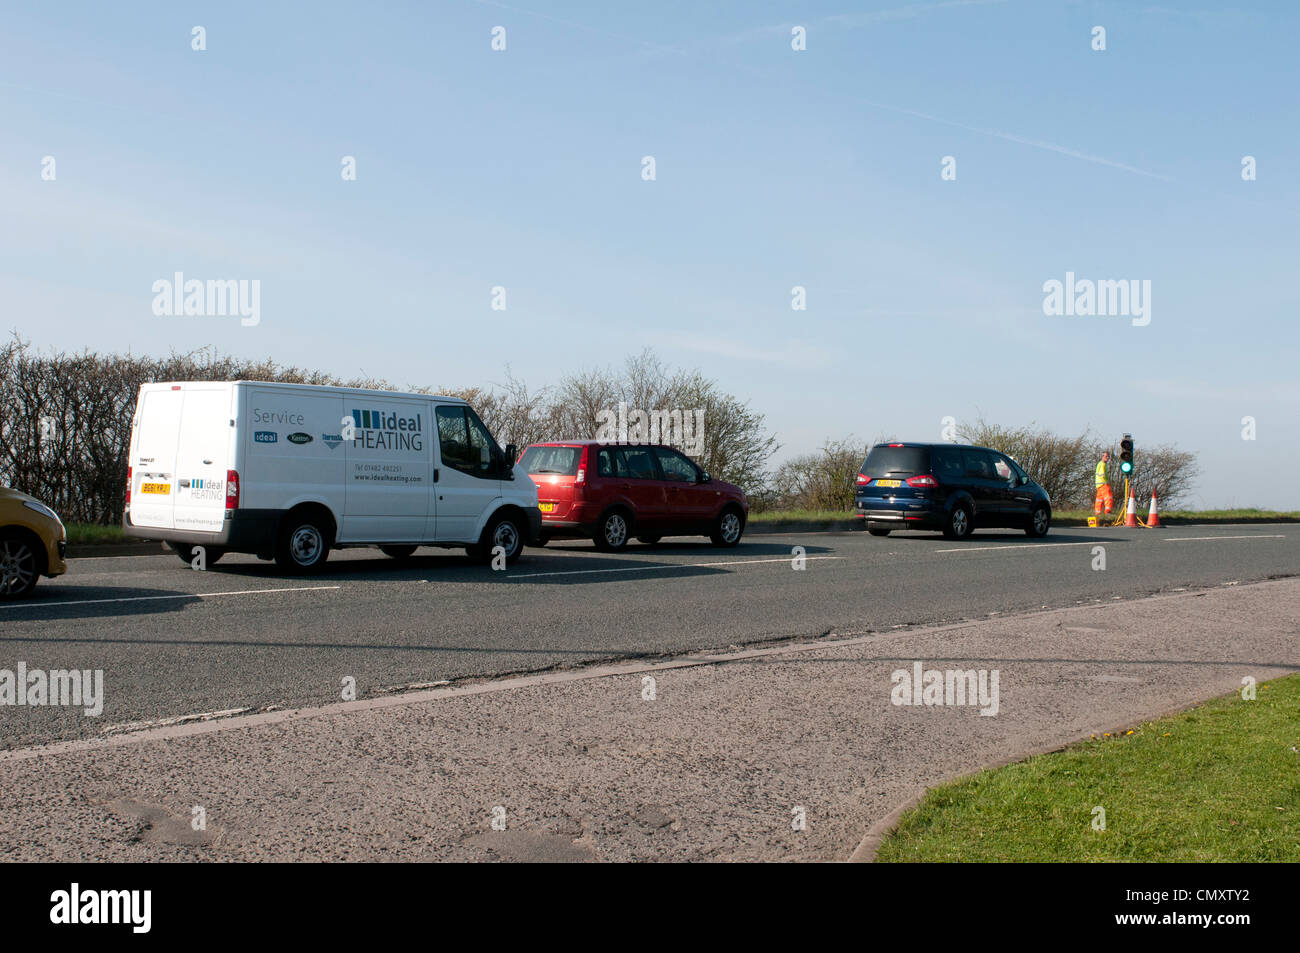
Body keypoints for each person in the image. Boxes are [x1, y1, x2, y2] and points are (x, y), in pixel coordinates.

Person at [1094, 451, 1114, 521]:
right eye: (1106, 456)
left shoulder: (1099, 463)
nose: (1107, 458)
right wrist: (1106, 481)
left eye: (1108, 456)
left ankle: (1097, 513)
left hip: (1098, 485)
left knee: (1099, 499)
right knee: (1108, 497)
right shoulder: (1103, 464)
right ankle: (1107, 511)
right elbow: (1102, 474)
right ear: (1102, 457)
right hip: (1103, 484)